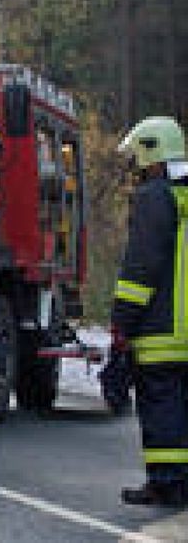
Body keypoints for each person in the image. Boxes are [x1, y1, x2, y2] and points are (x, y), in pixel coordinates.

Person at [112, 116, 188, 508]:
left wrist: (122, 319)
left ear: (152, 154)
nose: (137, 168)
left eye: (138, 158)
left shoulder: (154, 197)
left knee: (161, 403)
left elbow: (142, 266)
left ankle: (165, 481)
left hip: (163, 326)